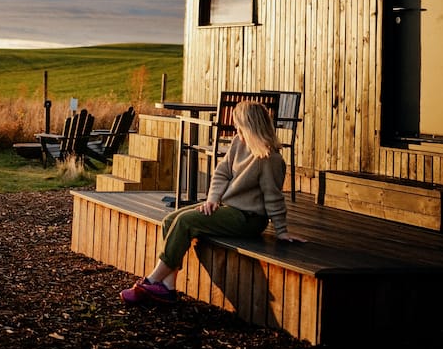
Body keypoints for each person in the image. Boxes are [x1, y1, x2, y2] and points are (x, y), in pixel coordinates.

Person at [121, 100, 305, 304]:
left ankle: (152, 279)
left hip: (248, 218)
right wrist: (212, 199)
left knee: (186, 222)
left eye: (239, 125)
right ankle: (167, 287)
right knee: (171, 219)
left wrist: (281, 230)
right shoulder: (238, 143)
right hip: (228, 208)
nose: (236, 128)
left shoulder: (270, 159)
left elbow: (274, 197)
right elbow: (221, 173)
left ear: (250, 126)